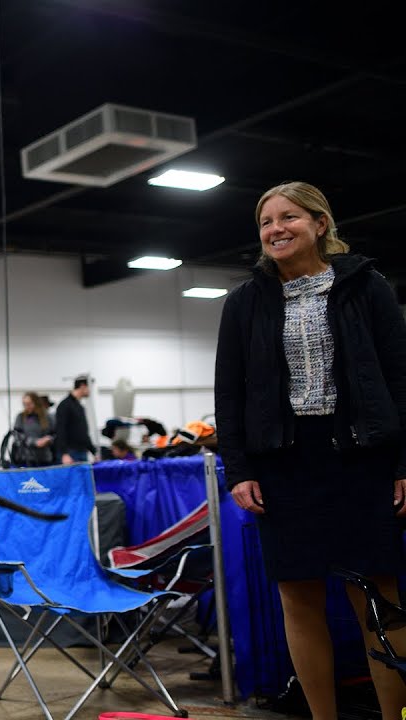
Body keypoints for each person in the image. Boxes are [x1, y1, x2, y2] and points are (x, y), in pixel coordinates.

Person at [215, 181, 406, 720]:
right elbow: (228, 396)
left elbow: (400, 380)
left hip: (361, 460)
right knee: (298, 601)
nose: (275, 228)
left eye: (289, 217)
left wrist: (403, 465)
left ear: (321, 224)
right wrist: (239, 471)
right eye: (265, 221)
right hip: (284, 467)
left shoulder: (368, 287)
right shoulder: (244, 302)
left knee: (378, 600)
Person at [54, 376, 93, 464]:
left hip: (82, 451)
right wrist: (64, 453)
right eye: (89, 388)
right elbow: (60, 430)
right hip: (70, 452)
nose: (90, 391)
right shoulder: (64, 405)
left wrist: (93, 451)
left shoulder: (80, 407)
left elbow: (83, 432)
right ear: (83, 386)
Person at [14, 392, 55, 466]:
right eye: (25, 404)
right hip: (25, 458)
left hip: (44, 458)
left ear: (36, 402)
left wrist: (48, 439)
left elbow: (55, 433)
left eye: (29, 403)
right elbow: (17, 436)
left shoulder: (48, 417)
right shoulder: (21, 417)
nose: (27, 406)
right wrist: (34, 442)